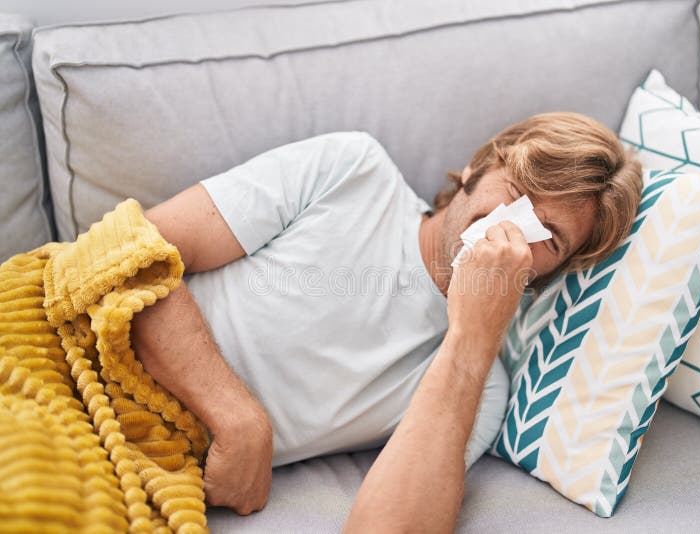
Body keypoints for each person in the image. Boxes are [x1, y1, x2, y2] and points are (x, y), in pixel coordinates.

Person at [130, 111, 642, 531]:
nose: (510, 227)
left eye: (546, 237)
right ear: (477, 169)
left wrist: (471, 337)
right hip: (86, 355)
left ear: (547, 273)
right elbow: (137, 254)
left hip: (144, 466)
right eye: (516, 193)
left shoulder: (479, 388)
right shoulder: (353, 170)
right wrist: (238, 421)